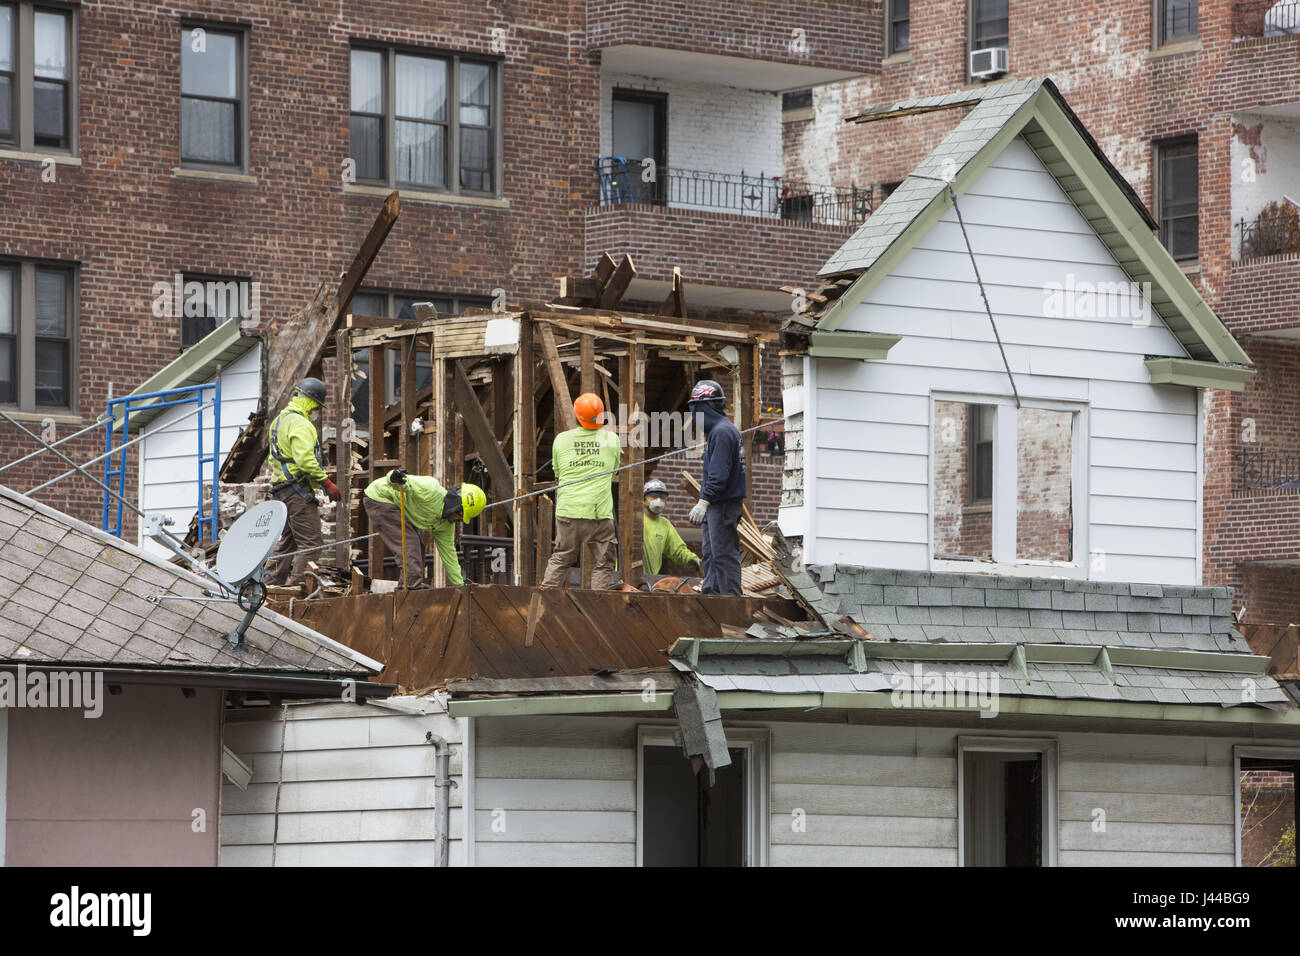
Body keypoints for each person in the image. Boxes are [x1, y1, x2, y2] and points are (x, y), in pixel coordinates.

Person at [541, 392, 621, 589]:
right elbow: (614, 471)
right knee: (603, 564)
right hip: (598, 514)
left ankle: (544, 602)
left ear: (577, 415)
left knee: (560, 558)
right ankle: (597, 609)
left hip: (567, 511)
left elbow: (557, 473)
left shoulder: (560, 439)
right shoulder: (612, 440)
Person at [265, 377, 339, 587]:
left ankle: (270, 584)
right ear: (309, 401)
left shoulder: (279, 421)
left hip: (281, 490)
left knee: (287, 542)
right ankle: (299, 588)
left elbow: (274, 459)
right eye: (317, 406)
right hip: (296, 491)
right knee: (311, 542)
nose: (317, 411)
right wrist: (327, 483)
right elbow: (305, 460)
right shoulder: (300, 423)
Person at [362, 469, 485, 587]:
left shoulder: (446, 526)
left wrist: (460, 584)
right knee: (410, 545)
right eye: (461, 515)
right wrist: (394, 477)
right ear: (456, 505)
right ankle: (410, 592)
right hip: (380, 497)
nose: (459, 521)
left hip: (399, 507)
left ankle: (407, 588)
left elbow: (449, 556)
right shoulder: (431, 489)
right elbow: (402, 482)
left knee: (417, 549)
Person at [687, 379, 746, 596]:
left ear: (705, 408)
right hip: (717, 505)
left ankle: (730, 602)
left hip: (721, 505)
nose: (694, 416)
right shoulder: (722, 430)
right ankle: (711, 595)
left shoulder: (722, 432)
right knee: (711, 554)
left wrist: (704, 501)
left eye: (696, 410)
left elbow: (718, 474)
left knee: (723, 554)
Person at [641, 478, 700, 576]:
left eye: (662, 497)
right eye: (654, 496)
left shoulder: (665, 524)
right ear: (644, 500)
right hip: (626, 577)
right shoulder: (635, 519)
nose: (658, 500)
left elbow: (677, 550)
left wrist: (694, 560)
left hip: (650, 579)